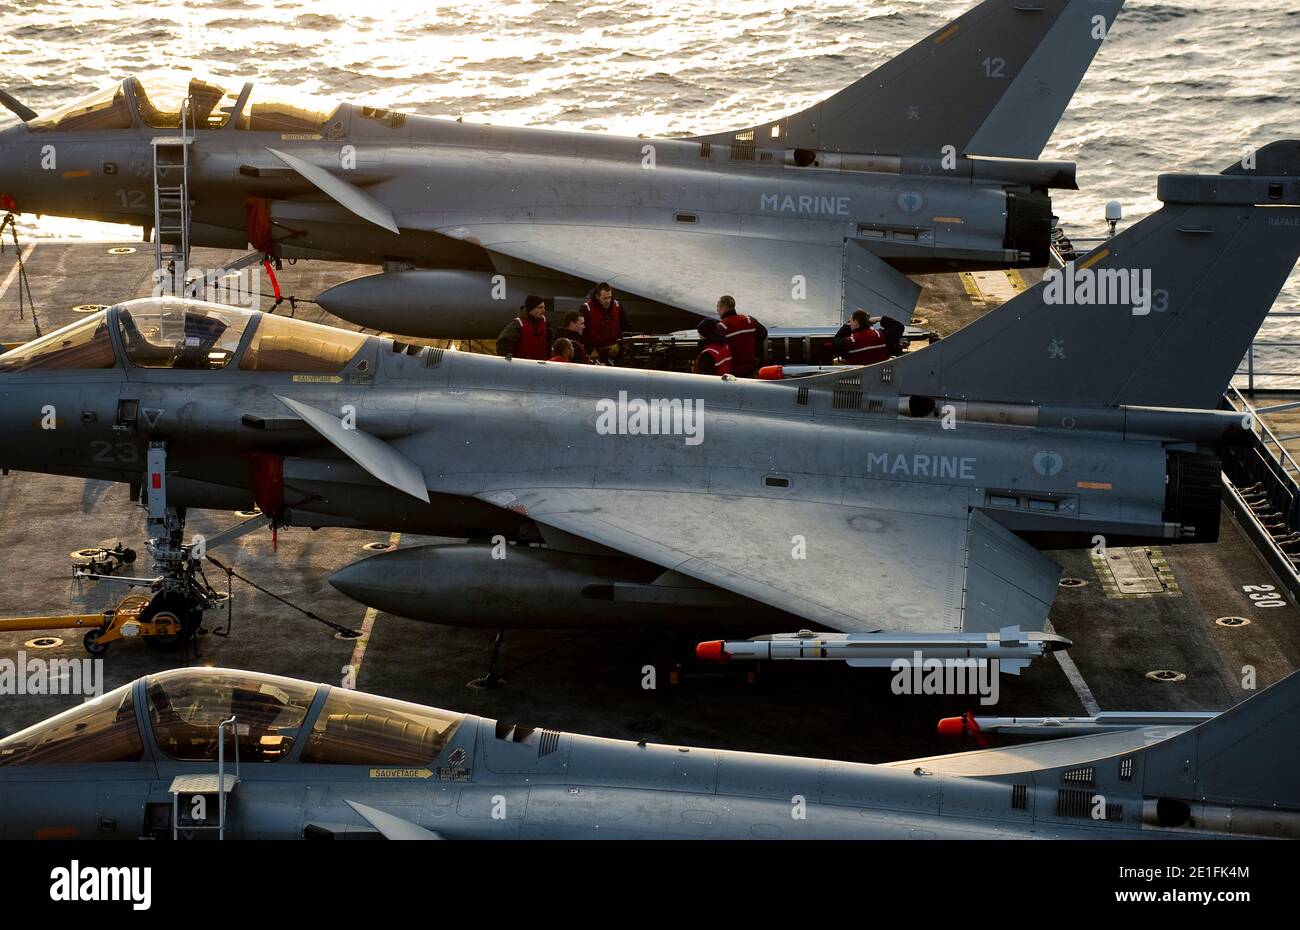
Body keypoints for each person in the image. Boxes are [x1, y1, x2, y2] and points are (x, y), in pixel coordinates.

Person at [581, 282, 634, 364]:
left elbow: (627, 328)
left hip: (615, 352)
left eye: (609, 297)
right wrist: (591, 349)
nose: (608, 301)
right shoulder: (586, 308)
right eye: (604, 298)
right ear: (597, 296)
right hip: (596, 354)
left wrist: (618, 345)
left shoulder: (617, 306)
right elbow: (583, 332)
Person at [715, 295, 767, 377]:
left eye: (718, 307)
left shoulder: (722, 327)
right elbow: (763, 334)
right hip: (752, 370)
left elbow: (717, 350)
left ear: (723, 308)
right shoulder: (749, 320)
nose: (717, 311)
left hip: (734, 373)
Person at [496, 295, 551, 360]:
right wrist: (510, 361)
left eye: (544, 307)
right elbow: (503, 343)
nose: (543, 310)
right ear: (531, 309)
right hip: (523, 366)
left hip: (541, 365)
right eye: (540, 307)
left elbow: (548, 344)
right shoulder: (518, 324)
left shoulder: (544, 322)